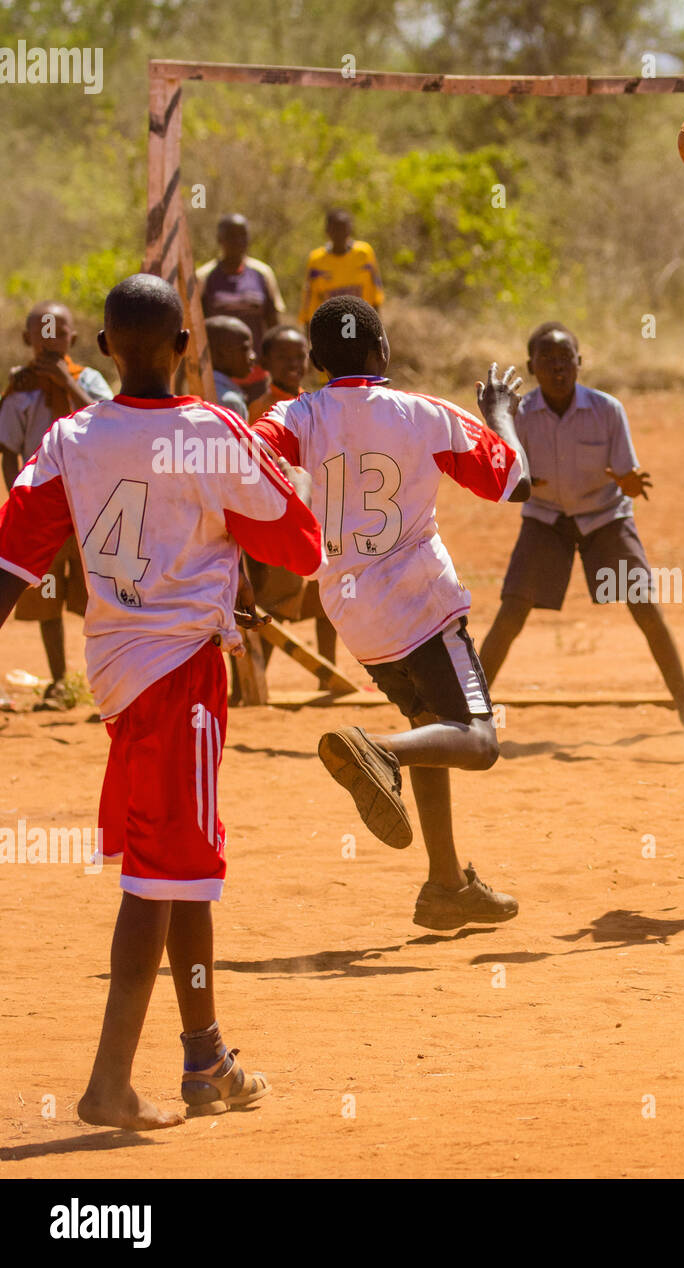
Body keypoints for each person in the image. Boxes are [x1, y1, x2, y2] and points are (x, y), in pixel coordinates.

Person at [0, 274, 323, 1129]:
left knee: (180, 870)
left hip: (116, 673)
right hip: (178, 676)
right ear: (187, 347)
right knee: (159, 878)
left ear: (105, 350)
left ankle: (205, 1059)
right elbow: (297, 538)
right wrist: (221, 552)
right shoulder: (210, 430)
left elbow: (12, 558)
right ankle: (109, 1085)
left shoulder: (70, 437)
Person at [252, 296, 533, 931]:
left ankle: (444, 885)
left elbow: (248, 455)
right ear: (384, 352)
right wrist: (501, 414)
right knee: (480, 741)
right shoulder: (423, 414)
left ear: (317, 362)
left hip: (355, 616)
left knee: (429, 722)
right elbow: (513, 479)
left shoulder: (299, 413)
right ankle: (376, 751)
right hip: (423, 606)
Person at [478, 323, 684, 728]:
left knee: (645, 606)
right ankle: (471, 715)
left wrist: (629, 482)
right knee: (512, 610)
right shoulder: (519, 414)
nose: (558, 367)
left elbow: (627, 472)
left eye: (566, 359)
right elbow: (504, 469)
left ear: (579, 363)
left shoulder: (607, 410)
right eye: (548, 360)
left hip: (604, 516)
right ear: (531, 366)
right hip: (545, 518)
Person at [0, 300, 112, 706]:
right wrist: (21, 503)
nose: (49, 340)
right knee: (44, 595)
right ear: (26, 338)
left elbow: (109, 423)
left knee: (95, 596)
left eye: (58, 332)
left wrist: (67, 382)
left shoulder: (90, 379)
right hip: (43, 512)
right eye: (40, 333)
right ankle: (60, 682)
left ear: (74, 339)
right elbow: (8, 451)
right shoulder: (20, 391)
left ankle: (105, 679)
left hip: (89, 507)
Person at [246, 325, 338, 682]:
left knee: (324, 599)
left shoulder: (313, 404)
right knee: (274, 602)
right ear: (265, 361)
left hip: (315, 515)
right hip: (279, 519)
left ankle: (328, 674)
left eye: (299, 356)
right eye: (283, 357)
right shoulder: (261, 408)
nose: (293, 363)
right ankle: (257, 682)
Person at [196, 213, 285, 402]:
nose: (238, 241)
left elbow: (273, 324)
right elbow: (195, 328)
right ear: (220, 239)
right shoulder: (204, 277)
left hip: (256, 374)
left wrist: (276, 367)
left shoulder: (262, 274)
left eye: (243, 235)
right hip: (218, 378)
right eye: (231, 236)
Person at [298, 209, 384, 328]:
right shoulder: (317, 259)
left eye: (343, 229)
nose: (340, 234)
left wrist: (377, 330)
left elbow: (375, 295)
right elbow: (309, 302)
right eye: (335, 229)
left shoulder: (364, 253)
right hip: (331, 328)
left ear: (350, 229)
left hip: (362, 325)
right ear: (327, 230)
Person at [205, 316, 255, 420]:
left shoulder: (200, 387)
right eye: (245, 349)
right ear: (221, 354)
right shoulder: (229, 402)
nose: (253, 356)